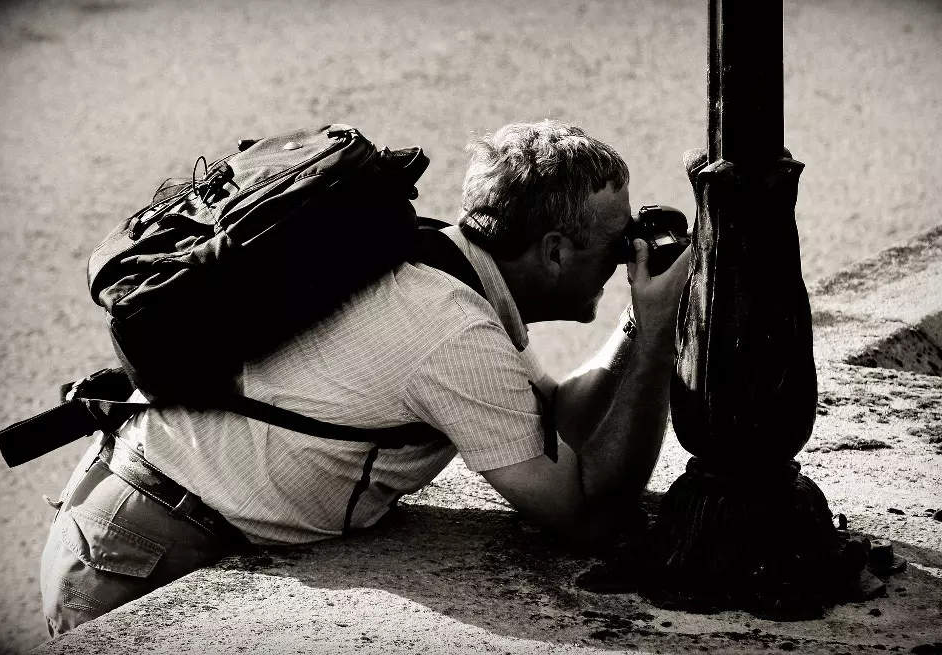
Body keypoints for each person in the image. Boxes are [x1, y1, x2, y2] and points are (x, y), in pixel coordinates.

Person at [40, 120, 691, 636]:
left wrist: (638, 320)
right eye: (615, 243)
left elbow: (555, 420)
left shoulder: (441, 263)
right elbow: (583, 516)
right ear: (553, 250)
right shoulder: (452, 330)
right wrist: (661, 337)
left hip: (136, 509)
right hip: (133, 560)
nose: (624, 256)